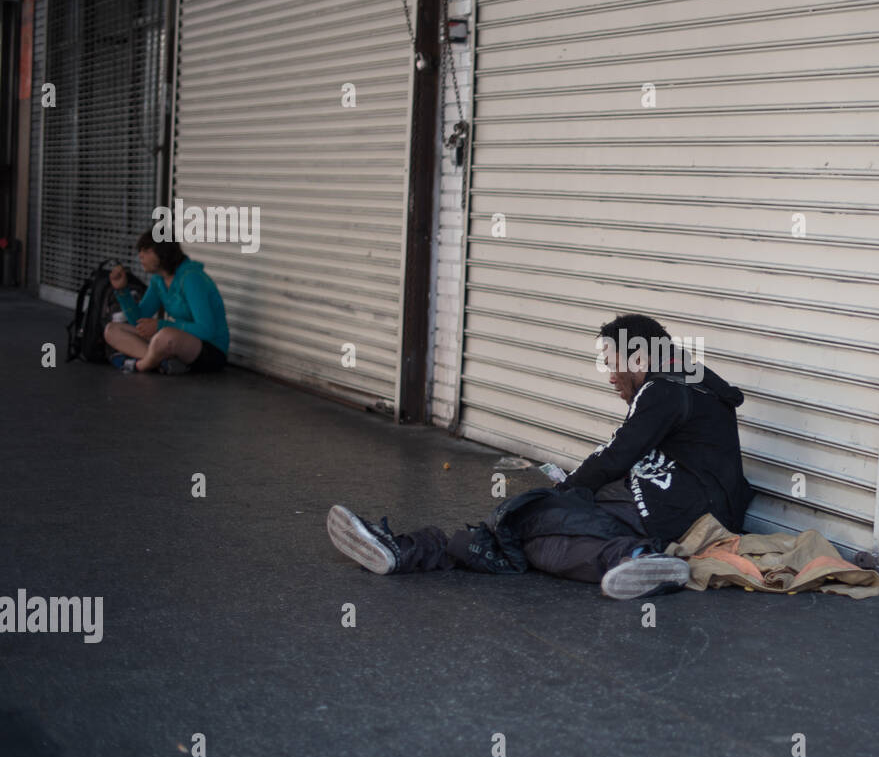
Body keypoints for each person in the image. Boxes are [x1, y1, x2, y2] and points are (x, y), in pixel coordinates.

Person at [326, 313, 756, 600]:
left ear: (638, 357)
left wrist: (567, 492)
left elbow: (616, 455)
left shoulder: (664, 388)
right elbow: (626, 454)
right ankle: (412, 549)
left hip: (676, 512)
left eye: (612, 363)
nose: (610, 376)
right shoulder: (689, 382)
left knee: (534, 524)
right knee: (537, 526)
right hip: (682, 503)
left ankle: (410, 550)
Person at [104, 231, 230, 375]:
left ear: (163, 252)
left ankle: (140, 365)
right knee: (112, 330)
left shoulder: (191, 278)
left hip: (210, 350)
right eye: (140, 251)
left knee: (165, 335)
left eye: (147, 251)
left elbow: (206, 330)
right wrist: (122, 291)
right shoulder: (158, 281)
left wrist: (161, 325)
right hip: (178, 344)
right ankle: (163, 363)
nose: (140, 256)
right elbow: (138, 321)